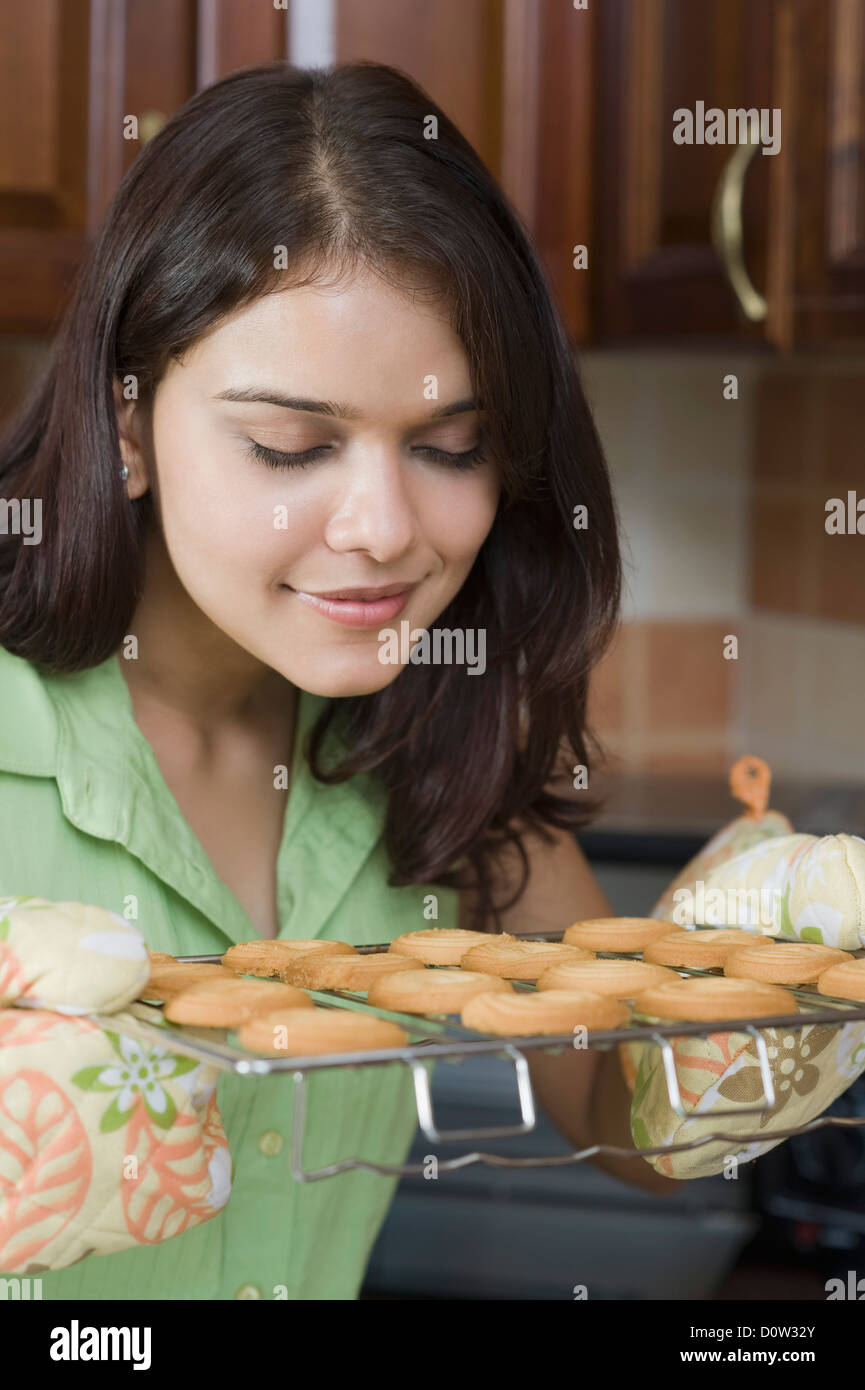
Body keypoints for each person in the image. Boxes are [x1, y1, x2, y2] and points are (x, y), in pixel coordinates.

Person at [0, 60, 673, 1302]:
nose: (383, 528)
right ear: (131, 424)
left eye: (448, 446)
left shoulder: (433, 739)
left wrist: (764, 1012)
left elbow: (633, 1130)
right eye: (291, 448)